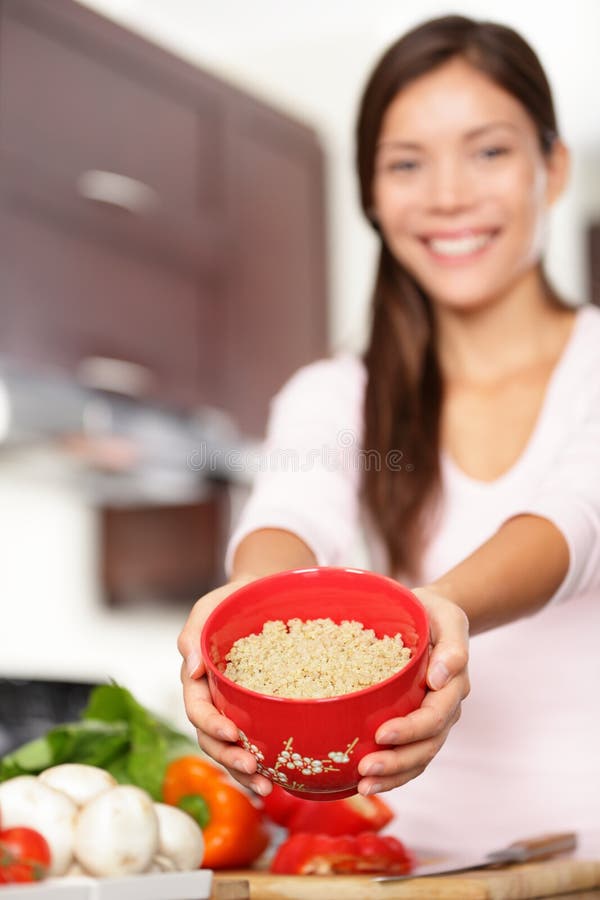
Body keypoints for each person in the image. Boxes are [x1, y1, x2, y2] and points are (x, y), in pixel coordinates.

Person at [179, 15, 600, 853]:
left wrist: (436, 615)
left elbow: (573, 520)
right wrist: (244, 618)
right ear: (371, 194)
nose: (447, 195)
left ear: (552, 169)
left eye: (488, 151)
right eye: (408, 163)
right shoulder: (337, 395)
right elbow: (295, 509)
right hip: (401, 872)